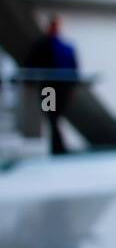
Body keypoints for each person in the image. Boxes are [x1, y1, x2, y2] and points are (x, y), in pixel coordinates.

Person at [23, 16, 79, 155]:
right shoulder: (41, 46)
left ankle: (58, 146)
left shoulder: (65, 47)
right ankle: (58, 146)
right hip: (48, 87)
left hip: (63, 87)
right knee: (51, 115)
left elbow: (73, 67)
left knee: (56, 115)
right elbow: (30, 64)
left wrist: (73, 86)